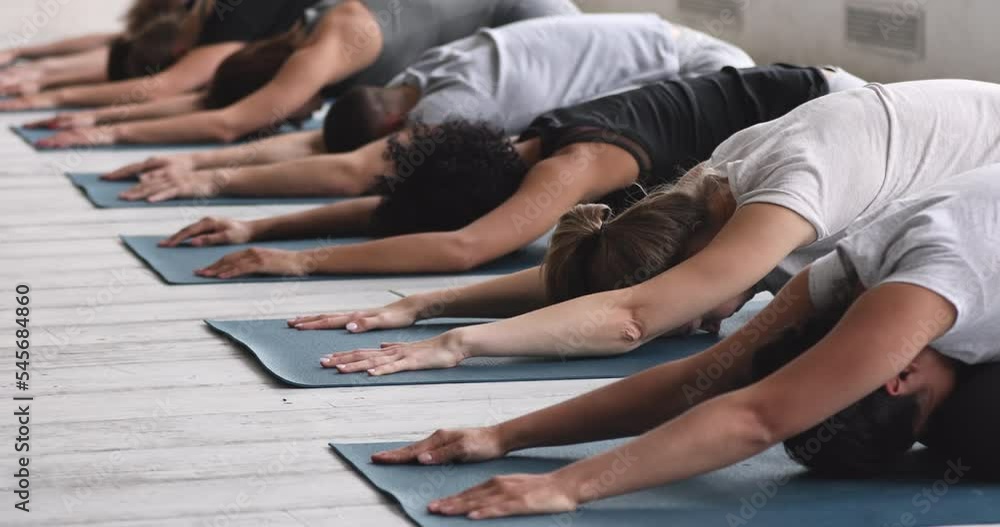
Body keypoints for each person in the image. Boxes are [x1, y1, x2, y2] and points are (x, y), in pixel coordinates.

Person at [366, 165, 1000, 519]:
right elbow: (711, 379)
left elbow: (757, 417)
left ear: (894, 373)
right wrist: (505, 436)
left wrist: (571, 486)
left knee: (973, 426)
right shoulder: (849, 278)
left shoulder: (927, 287)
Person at [304, 78, 1000, 376]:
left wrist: (458, 345)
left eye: (688, 305)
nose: (697, 321)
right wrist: (424, 304)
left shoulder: (787, 191)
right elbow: (597, 282)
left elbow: (634, 315)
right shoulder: (720, 182)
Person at [147, 65, 855, 283]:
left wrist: (300, 265)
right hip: (782, 120)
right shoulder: (518, 147)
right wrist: (259, 225)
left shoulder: (570, 163)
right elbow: (413, 211)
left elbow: (464, 246)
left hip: (839, 116)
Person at [25, 0, 581, 147]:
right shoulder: (311, 37)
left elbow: (227, 123)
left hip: (538, 25)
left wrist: (109, 129)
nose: (301, 115)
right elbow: (213, 106)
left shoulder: (326, 47)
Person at [0, 0, 320, 111]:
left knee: (36, 78)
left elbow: (169, 86)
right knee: (35, 73)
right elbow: (124, 40)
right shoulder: (202, 16)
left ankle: (36, 76)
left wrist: (54, 96)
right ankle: (34, 72)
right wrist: (25, 52)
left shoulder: (239, 15)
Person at [0, 0, 186, 95]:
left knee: (41, 71)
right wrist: (21, 51)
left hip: (136, 66)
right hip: (130, 58)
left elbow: (165, 86)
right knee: (42, 69)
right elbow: (116, 39)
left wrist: (56, 95)